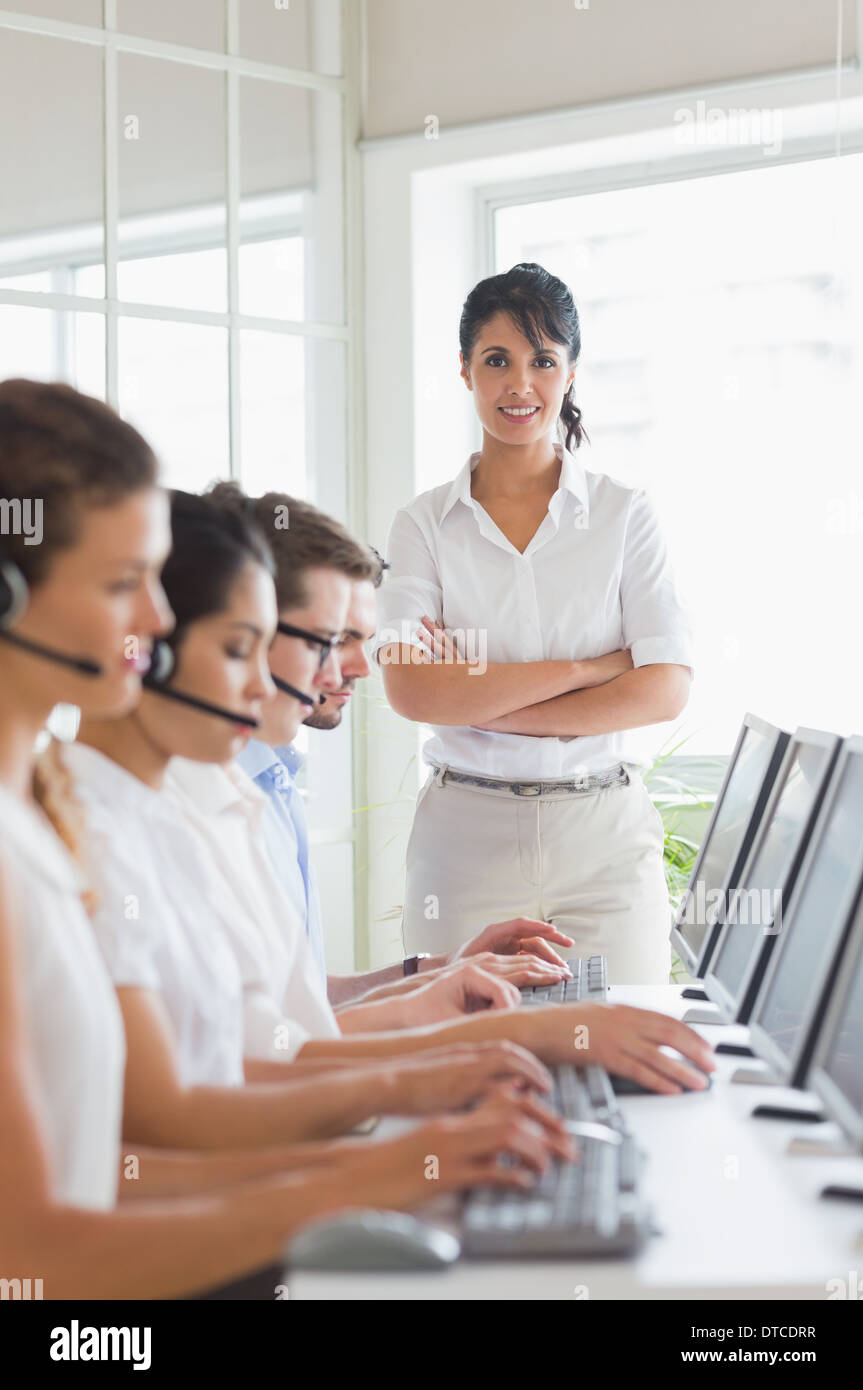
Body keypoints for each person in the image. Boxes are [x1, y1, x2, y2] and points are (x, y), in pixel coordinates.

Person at [0, 378, 575, 1300]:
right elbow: (41, 1248)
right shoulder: (54, 842)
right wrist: (379, 1170)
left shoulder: (45, 820)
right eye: (122, 583)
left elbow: (113, 1165)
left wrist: (403, 1155)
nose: (153, 621)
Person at [376, 262, 695, 983]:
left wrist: (482, 698)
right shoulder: (423, 524)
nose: (519, 384)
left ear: (570, 371)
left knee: (628, 1038)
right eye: (497, 360)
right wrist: (591, 669)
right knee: (466, 1055)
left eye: (542, 361)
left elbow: (665, 690)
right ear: (465, 371)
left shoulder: (623, 513)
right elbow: (414, 694)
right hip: (464, 841)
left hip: (603, 838)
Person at [221, 482, 577, 1010]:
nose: (365, 666)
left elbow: (307, 1002)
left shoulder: (273, 780)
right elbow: (262, 1053)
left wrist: (438, 973)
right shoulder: (210, 800)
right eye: (334, 638)